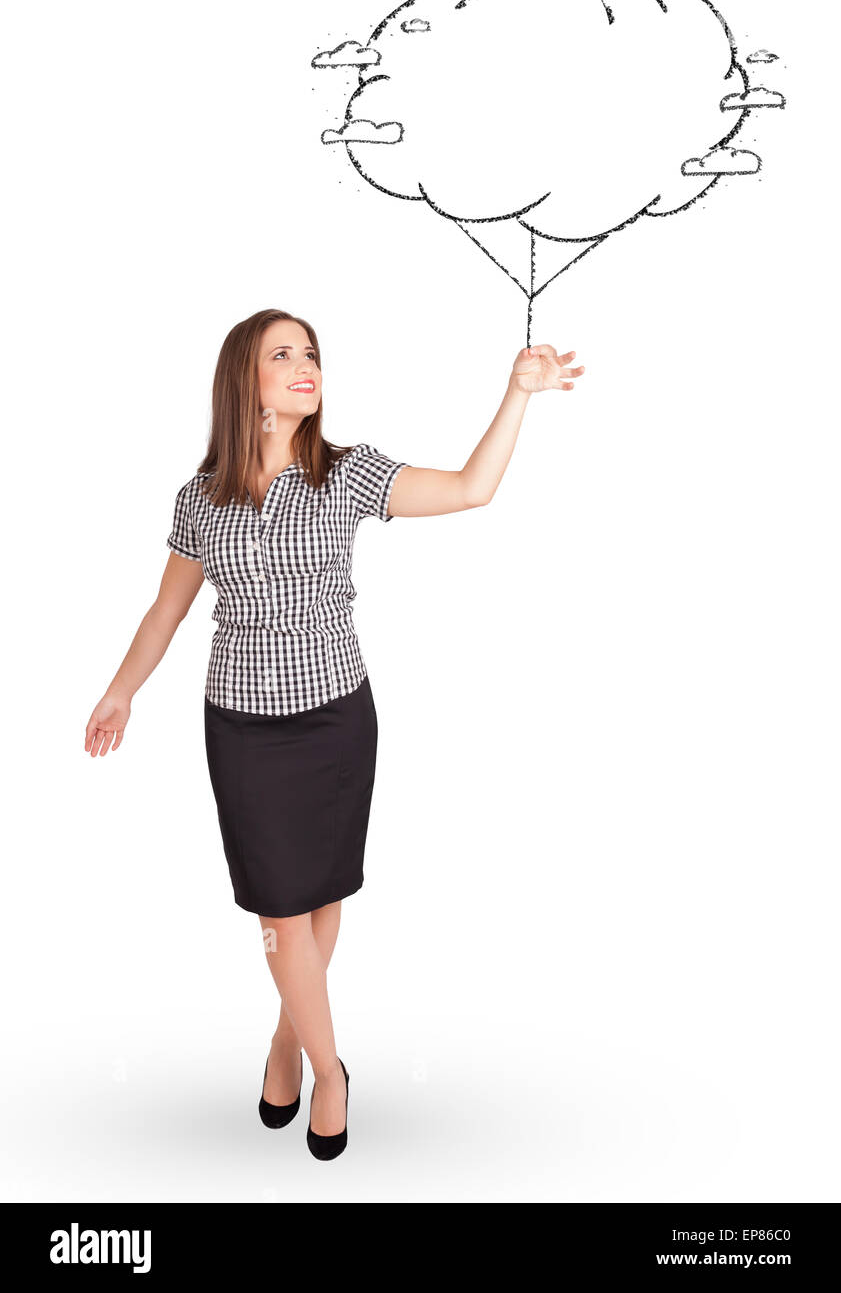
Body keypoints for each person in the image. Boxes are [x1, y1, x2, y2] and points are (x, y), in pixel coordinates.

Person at [84, 308, 583, 1160]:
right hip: (242, 729)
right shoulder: (199, 499)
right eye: (283, 355)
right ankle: (331, 1069)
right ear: (245, 380)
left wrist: (517, 394)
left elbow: (470, 488)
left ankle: (285, 1045)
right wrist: (120, 690)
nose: (305, 365)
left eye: (311, 352)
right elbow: (166, 611)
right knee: (276, 909)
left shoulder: (346, 475)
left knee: (318, 898)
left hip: (336, 719)